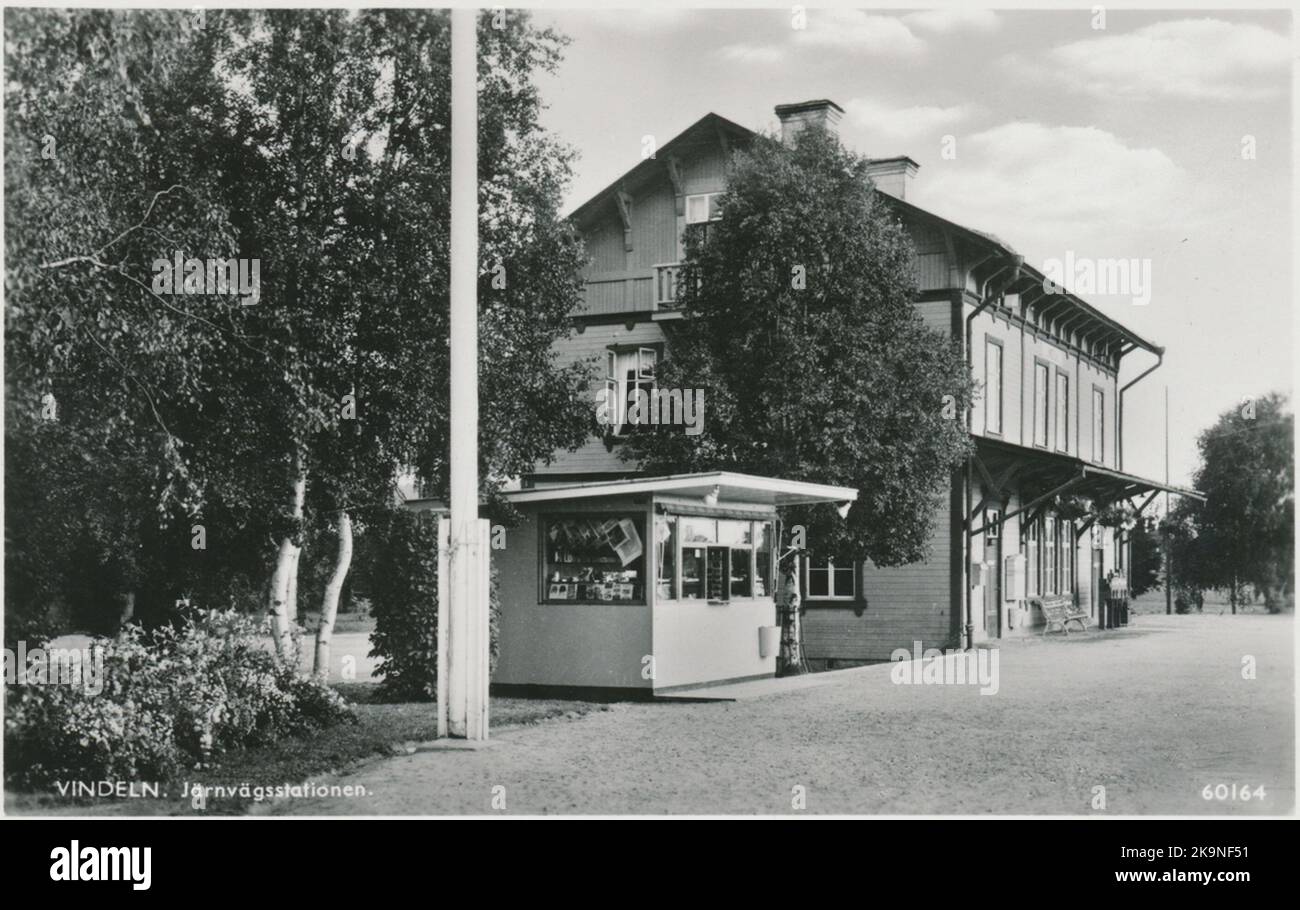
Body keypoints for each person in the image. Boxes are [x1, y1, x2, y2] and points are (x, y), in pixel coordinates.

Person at [777, 557, 803, 675]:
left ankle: (791, 663)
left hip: (791, 611)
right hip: (790, 611)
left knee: (790, 637)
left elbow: (793, 593)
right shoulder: (792, 579)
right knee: (790, 636)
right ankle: (790, 662)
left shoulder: (792, 579)